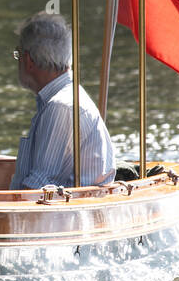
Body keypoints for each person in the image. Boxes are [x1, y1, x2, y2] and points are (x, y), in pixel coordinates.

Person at [10, 12, 116, 189]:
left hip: (66, 214)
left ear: (28, 60)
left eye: (17, 54)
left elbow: (38, 188)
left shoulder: (61, 107)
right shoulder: (65, 98)